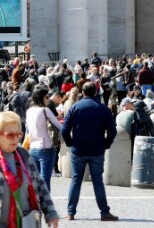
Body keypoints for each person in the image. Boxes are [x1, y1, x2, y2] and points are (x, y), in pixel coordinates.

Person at [0, 111, 60, 228]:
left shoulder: (24, 155)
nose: (16, 139)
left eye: (18, 135)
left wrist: (50, 211)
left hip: (26, 223)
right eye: (10, 135)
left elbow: (40, 184)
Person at [61, 82, 118, 222]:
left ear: (83, 92)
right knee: (98, 181)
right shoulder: (103, 109)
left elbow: (64, 130)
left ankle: (70, 212)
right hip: (97, 149)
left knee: (76, 181)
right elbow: (112, 131)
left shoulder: (75, 107)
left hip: (78, 149)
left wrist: (70, 143)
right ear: (95, 92)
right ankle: (104, 212)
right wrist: (106, 144)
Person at [26, 88, 62, 193]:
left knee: (35, 181)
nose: (48, 99)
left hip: (33, 147)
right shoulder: (44, 110)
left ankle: (37, 201)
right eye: (46, 97)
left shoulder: (29, 111)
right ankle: (46, 202)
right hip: (45, 147)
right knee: (45, 180)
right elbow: (59, 126)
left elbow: (28, 128)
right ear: (41, 98)